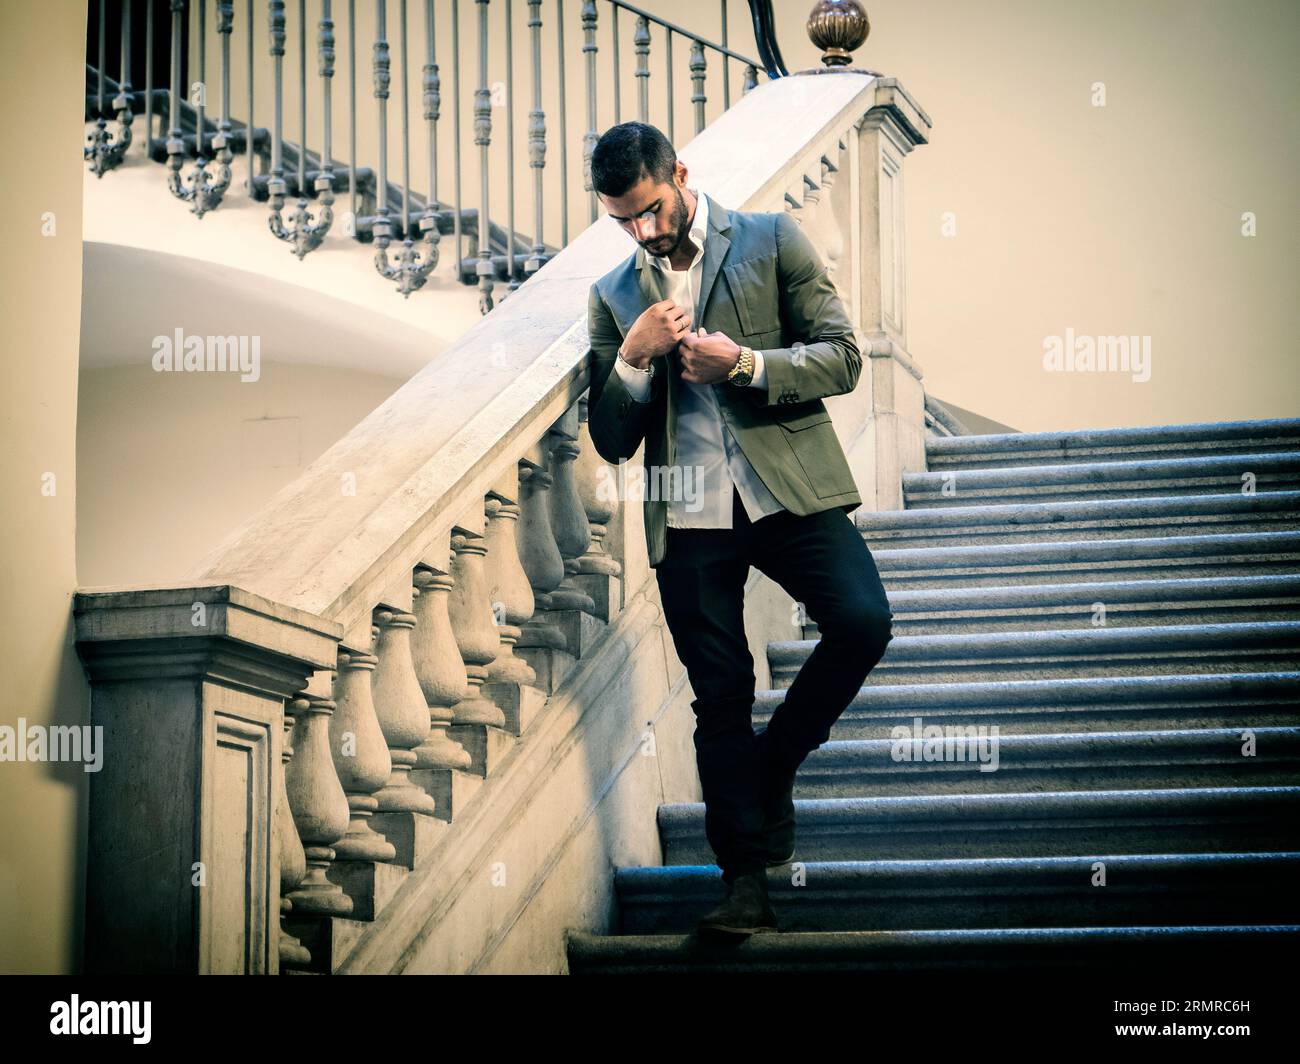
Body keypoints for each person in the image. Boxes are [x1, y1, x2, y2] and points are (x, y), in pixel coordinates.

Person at [584, 121, 894, 938]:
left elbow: (843, 358)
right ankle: (745, 885)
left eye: (651, 209)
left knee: (864, 621)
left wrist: (748, 365)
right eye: (622, 221)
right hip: (688, 519)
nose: (643, 231)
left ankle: (774, 764)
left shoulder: (770, 239)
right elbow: (611, 438)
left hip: (787, 490)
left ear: (679, 173)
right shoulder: (614, 297)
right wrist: (632, 359)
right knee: (718, 702)